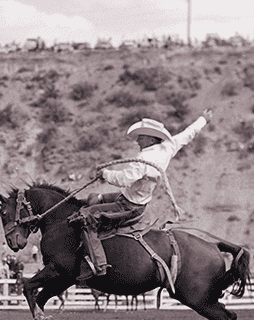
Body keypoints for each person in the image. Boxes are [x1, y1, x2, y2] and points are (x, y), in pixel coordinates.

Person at [74, 108, 211, 276]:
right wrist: (203, 119)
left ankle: (98, 264)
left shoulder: (144, 160)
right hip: (135, 201)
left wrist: (105, 173)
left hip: (128, 205)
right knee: (93, 199)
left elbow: (124, 179)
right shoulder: (168, 147)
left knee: (86, 218)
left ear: (151, 139)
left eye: (141, 136)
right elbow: (188, 134)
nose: (137, 140)